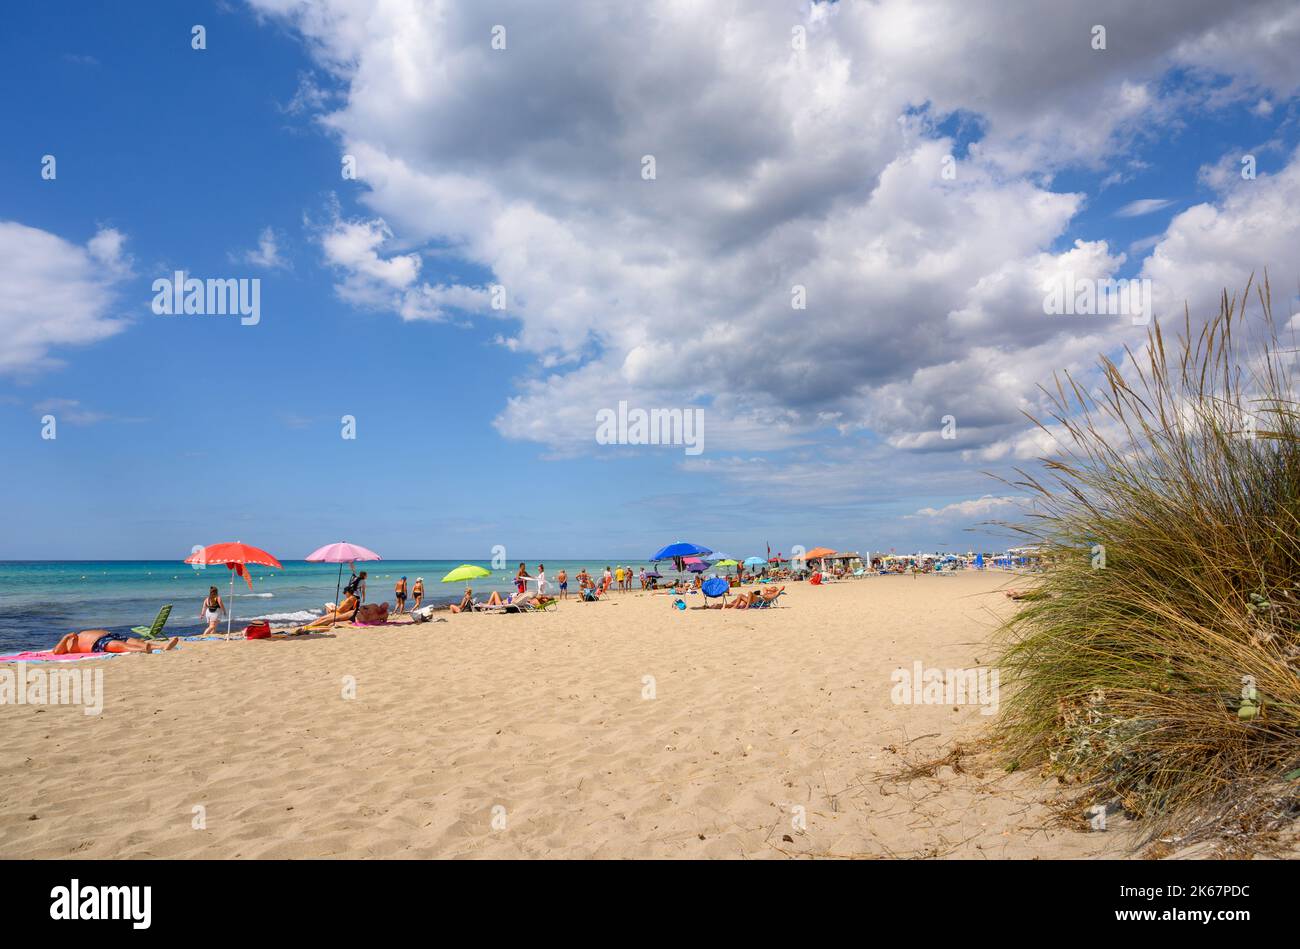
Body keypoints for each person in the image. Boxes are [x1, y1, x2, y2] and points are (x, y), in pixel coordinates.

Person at [53, 630, 179, 654]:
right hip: (97, 644)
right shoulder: (66, 646)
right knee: (124, 646)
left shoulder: (71, 642)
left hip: (109, 635)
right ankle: (148, 650)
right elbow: (56, 652)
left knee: (135, 640)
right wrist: (65, 637)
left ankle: (162, 646)